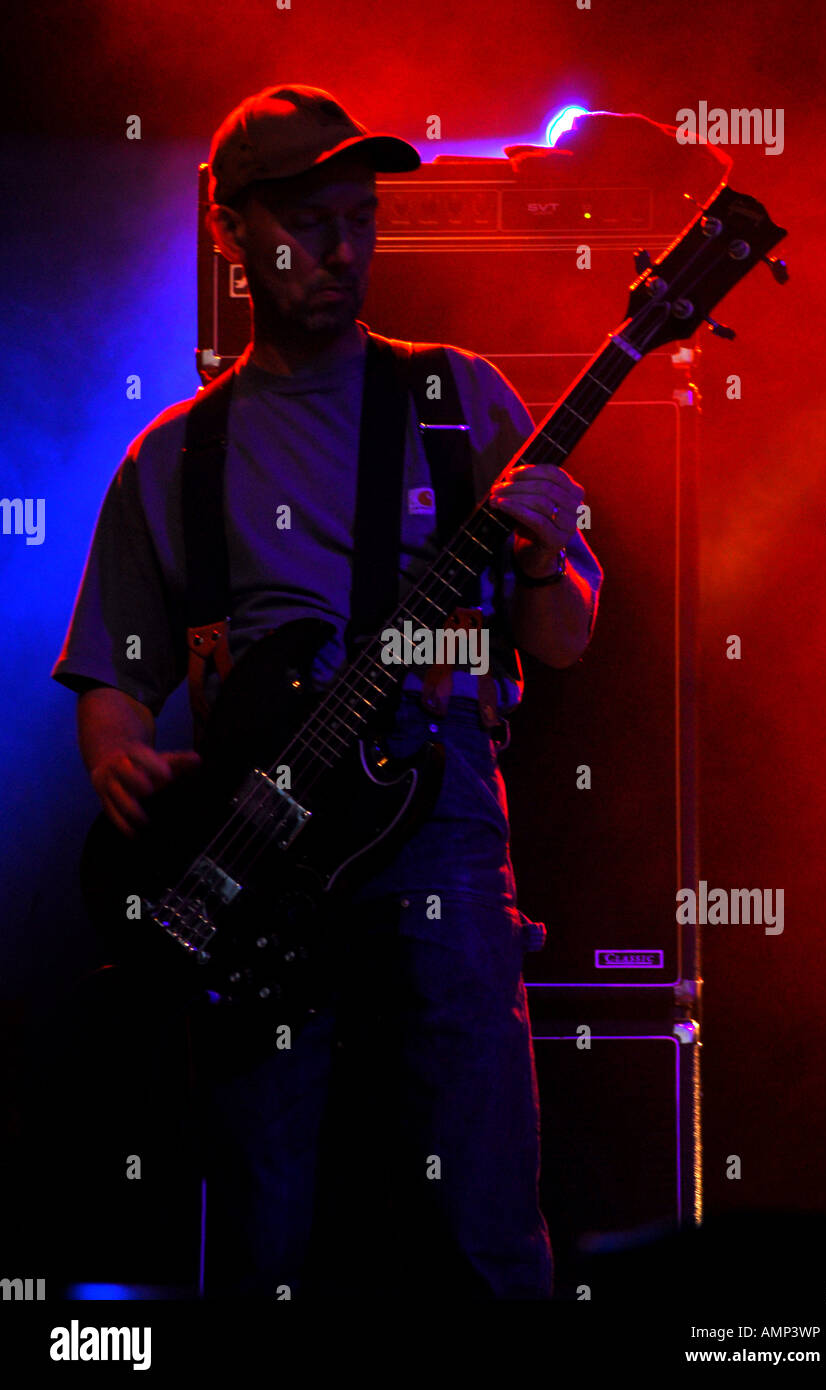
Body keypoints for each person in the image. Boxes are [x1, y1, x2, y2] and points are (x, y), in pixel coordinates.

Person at [51, 84, 604, 1300]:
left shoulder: (457, 398)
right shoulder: (175, 456)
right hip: (256, 849)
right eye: (308, 221)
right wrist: (116, 758)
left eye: (361, 217)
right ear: (228, 230)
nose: (344, 248)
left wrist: (542, 555)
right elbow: (115, 682)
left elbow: (559, 638)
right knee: (265, 1216)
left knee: (484, 1208)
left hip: (441, 827)